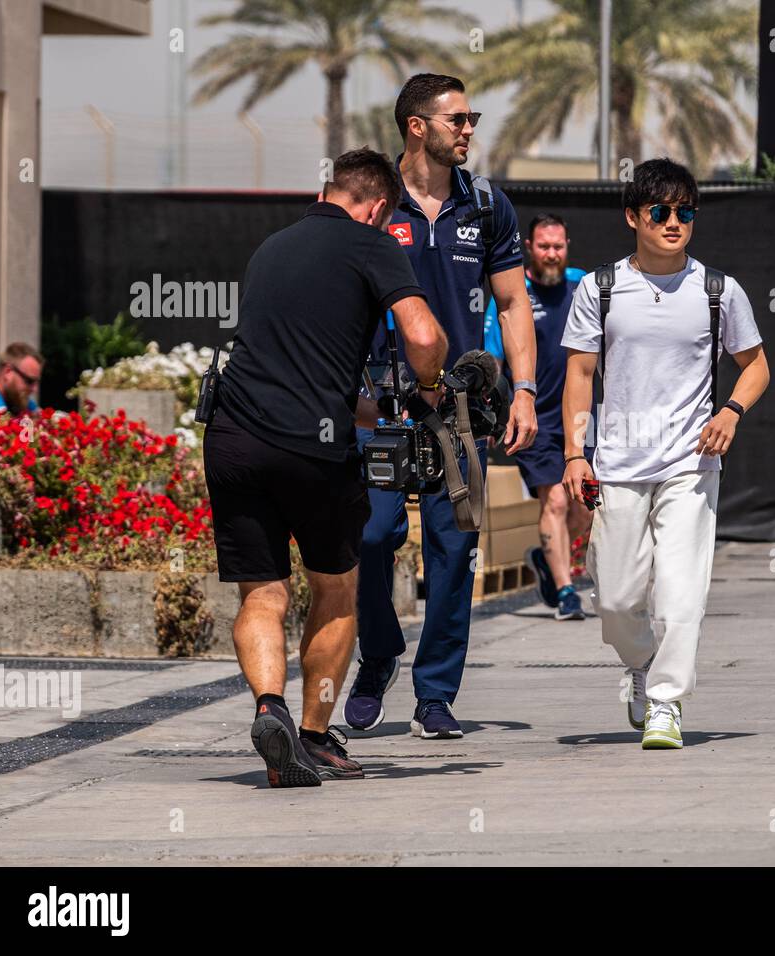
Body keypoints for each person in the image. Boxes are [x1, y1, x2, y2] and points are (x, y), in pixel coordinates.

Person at [203, 148, 447, 788]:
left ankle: (268, 708)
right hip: (312, 452)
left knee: (263, 592)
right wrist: (435, 381)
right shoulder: (372, 245)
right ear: (376, 206)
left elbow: (304, 371)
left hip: (233, 437)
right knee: (335, 588)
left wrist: (374, 410)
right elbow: (422, 338)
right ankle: (312, 735)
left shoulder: (271, 248)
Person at [342, 73, 538, 739]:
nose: (469, 129)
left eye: (471, 118)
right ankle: (378, 656)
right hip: (381, 408)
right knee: (370, 536)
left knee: (456, 550)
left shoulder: (487, 205)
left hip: (459, 412)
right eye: (457, 119)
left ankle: (435, 695)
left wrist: (526, 390)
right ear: (416, 126)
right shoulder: (372, 201)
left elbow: (512, 304)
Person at [561, 158, 770, 749]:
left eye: (684, 212)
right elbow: (579, 374)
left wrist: (730, 412)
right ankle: (641, 664)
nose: (673, 222)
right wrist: (576, 453)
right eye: (659, 211)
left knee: (682, 591)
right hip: (618, 465)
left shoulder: (718, 291)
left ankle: (665, 703)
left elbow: (756, 367)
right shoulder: (599, 288)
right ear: (633, 217)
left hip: (690, 466)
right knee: (618, 599)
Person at [484, 214, 592, 620]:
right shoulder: (514, 295)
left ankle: (547, 559)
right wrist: (494, 413)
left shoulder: (583, 285)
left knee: (586, 507)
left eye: (559, 246)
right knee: (557, 499)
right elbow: (493, 360)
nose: (553, 253)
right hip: (536, 420)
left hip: (581, 420)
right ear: (529, 247)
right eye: (545, 246)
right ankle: (566, 592)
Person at [0, 343, 43, 415]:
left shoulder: (16, 397)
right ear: (7, 372)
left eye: (37, 382)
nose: (35, 389)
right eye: (29, 381)